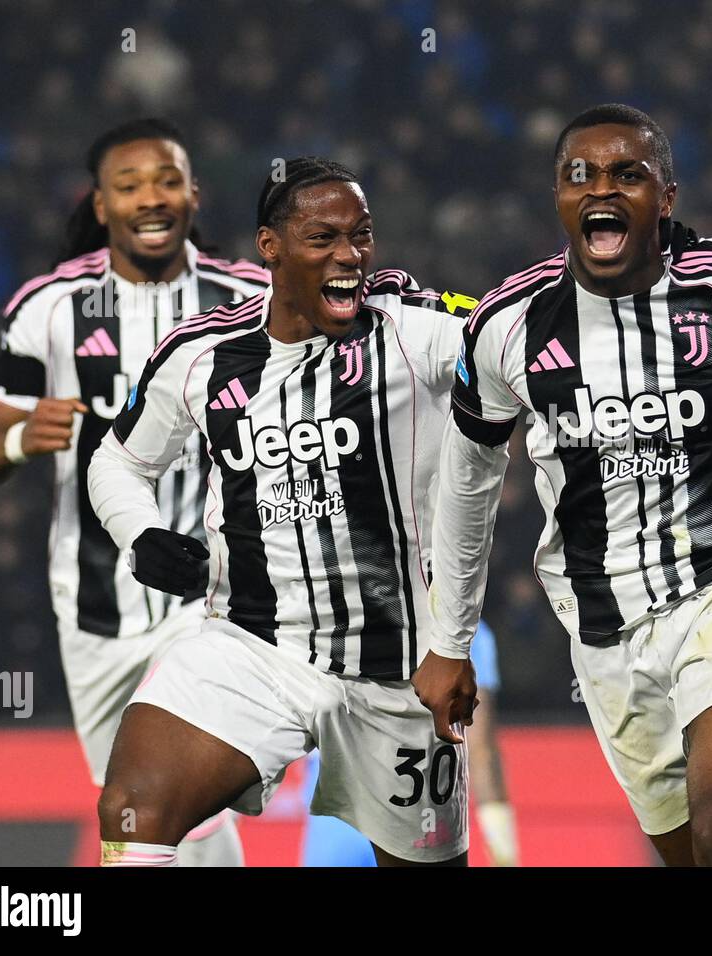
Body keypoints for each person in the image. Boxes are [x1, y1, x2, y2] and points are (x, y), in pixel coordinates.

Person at [417, 104, 712, 867]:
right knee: (695, 856)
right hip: (604, 627)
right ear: (557, 197)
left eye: (628, 174)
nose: (602, 190)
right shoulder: (508, 326)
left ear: (666, 197)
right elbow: (466, 487)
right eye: (578, 175)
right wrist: (448, 642)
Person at [88, 157, 476, 867]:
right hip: (254, 645)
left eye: (361, 236)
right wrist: (138, 533)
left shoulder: (414, 328)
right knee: (133, 807)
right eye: (324, 238)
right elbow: (117, 460)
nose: (350, 256)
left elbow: (524, 340)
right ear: (271, 247)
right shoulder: (203, 354)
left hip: (401, 666)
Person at [0, 118, 267, 866]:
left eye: (166, 181)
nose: (150, 199)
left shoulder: (251, 297)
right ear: (101, 206)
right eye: (129, 186)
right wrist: (24, 437)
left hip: (213, 595)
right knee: (132, 809)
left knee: (183, 796)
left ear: (193, 193)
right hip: (93, 602)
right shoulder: (50, 308)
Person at [299, 619, 519, 867]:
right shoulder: (465, 628)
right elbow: (481, 754)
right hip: (418, 815)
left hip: (338, 819)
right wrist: (505, 854)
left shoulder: (332, 614)